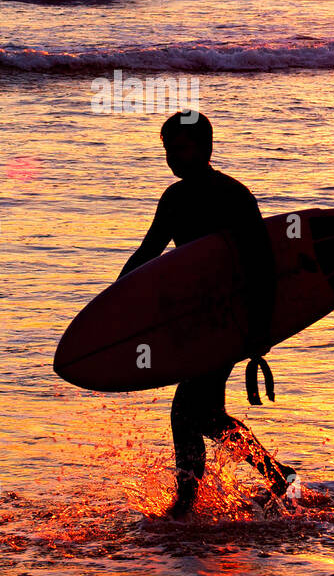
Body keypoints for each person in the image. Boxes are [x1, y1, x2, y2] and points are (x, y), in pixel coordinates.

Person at [121, 112, 296, 518]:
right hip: (196, 318)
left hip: (232, 318)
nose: (172, 158)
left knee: (186, 412)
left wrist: (260, 329)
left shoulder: (233, 196)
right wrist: (118, 297)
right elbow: (149, 253)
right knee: (206, 414)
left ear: (205, 148)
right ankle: (275, 476)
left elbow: (263, 265)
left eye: (180, 149)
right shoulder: (174, 199)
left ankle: (187, 502)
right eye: (167, 150)